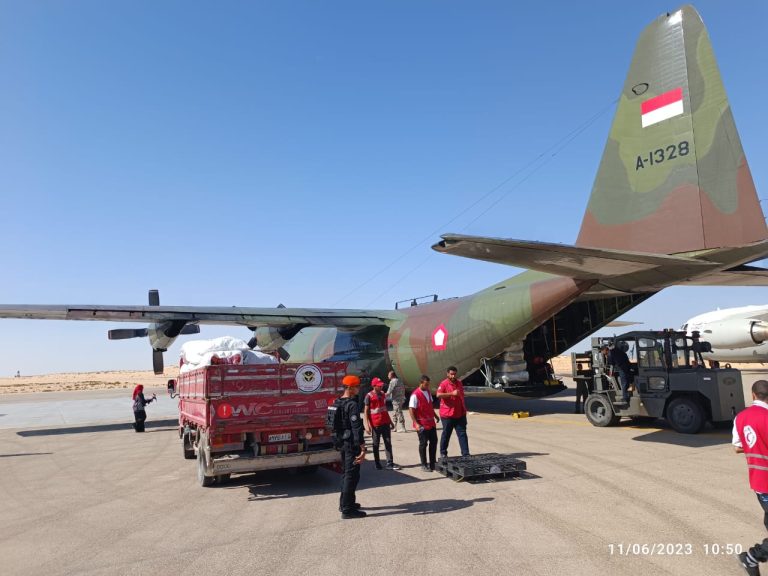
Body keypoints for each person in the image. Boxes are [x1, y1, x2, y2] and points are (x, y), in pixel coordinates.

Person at [733, 380, 768, 575]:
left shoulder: (741, 417)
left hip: (759, 483)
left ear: (753, 395)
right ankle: (752, 557)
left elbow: (737, 447)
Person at [336, 374, 367, 519]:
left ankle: (346, 503)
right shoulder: (352, 404)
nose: (359, 389)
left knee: (346, 473)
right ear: (350, 388)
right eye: (357, 386)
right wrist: (362, 447)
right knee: (351, 475)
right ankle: (347, 510)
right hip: (351, 444)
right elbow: (356, 428)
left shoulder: (337, 402)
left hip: (342, 442)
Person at [364, 377, 401, 470]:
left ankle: (390, 463)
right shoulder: (368, 396)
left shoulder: (382, 395)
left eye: (381, 386)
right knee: (376, 444)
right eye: (379, 386)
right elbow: (366, 412)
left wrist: (391, 422)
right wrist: (367, 425)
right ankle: (377, 463)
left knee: (388, 443)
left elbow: (384, 409)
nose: (381, 387)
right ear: (374, 386)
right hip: (375, 424)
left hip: (385, 423)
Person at [436, 366, 469, 459]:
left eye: (454, 374)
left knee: (462, 434)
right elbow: (438, 394)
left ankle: (465, 454)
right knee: (446, 434)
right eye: (451, 374)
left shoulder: (459, 383)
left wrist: (464, 410)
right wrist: (451, 394)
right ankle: (443, 453)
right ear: (447, 374)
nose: (453, 376)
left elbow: (461, 397)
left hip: (459, 414)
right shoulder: (444, 383)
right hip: (447, 415)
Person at [409, 374, 440, 471]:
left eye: (428, 385)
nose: (427, 386)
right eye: (426, 384)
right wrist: (416, 424)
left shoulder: (428, 392)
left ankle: (432, 462)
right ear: (421, 383)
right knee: (423, 444)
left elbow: (429, 405)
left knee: (434, 442)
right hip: (422, 424)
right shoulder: (415, 395)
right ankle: (423, 464)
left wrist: (435, 415)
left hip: (431, 423)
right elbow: (411, 410)